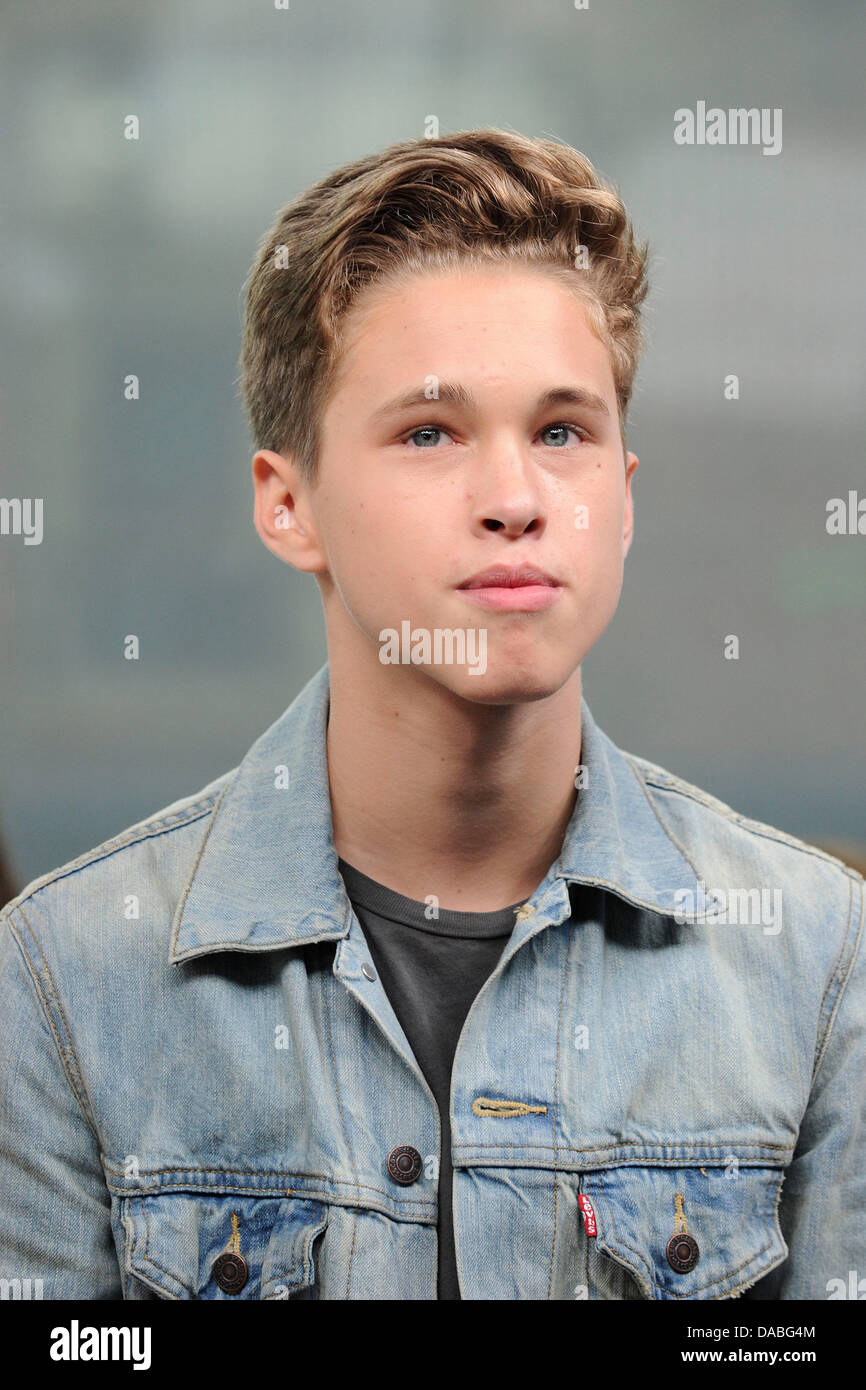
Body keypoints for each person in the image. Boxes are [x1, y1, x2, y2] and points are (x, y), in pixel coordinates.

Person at [1, 129, 863, 1301]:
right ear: (288, 504)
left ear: (621, 497)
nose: (513, 498)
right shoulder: (62, 978)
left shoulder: (820, 961)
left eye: (562, 432)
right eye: (427, 432)